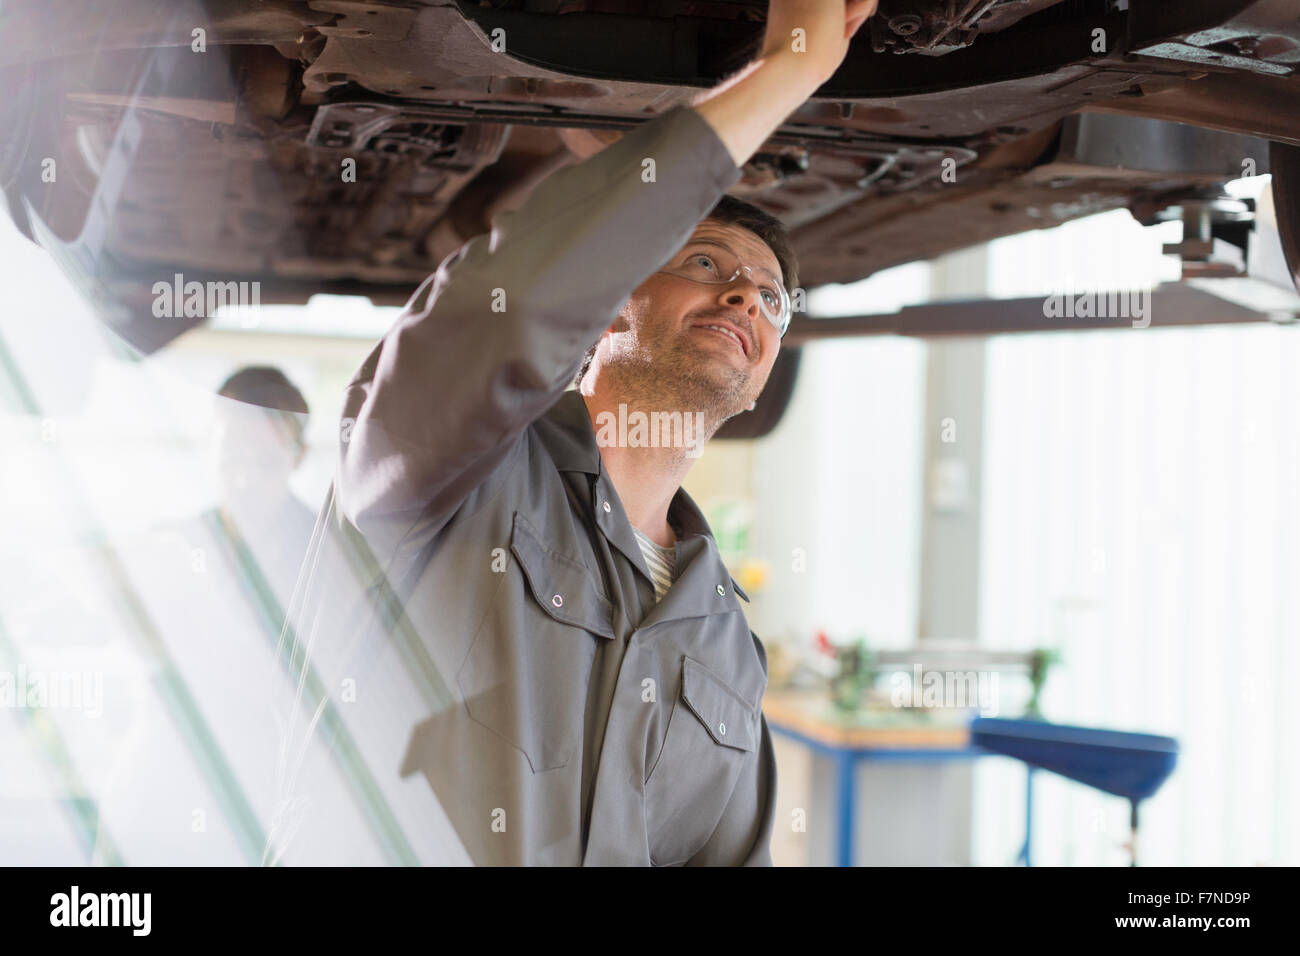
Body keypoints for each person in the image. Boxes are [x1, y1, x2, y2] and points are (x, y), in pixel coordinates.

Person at [280, 0, 882, 866]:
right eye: (704, 263)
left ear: (764, 374)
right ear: (606, 308)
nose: (747, 296)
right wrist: (788, 70)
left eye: (770, 296)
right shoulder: (454, 474)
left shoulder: (725, 648)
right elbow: (510, 304)